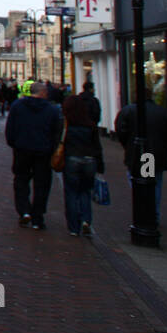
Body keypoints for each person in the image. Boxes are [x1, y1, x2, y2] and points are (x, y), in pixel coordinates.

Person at [5, 80, 62, 229]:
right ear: (42, 93)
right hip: (43, 151)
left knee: (21, 180)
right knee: (42, 183)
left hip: (22, 149)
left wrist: (14, 143)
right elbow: (56, 132)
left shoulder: (18, 106)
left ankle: (24, 211)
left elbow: (10, 128)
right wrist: (52, 148)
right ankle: (38, 216)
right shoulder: (52, 110)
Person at [114, 97, 167, 223]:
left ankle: (144, 212)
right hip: (156, 154)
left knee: (138, 182)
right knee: (155, 183)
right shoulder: (162, 112)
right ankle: (152, 214)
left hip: (138, 154)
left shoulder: (128, 111)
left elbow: (120, 130)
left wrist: (129, 145)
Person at [61, 95, 104, 237]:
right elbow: (97, 147)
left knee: (71, 193)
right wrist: (100, 166)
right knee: (85, 192)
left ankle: (74, 227)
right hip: (89, 161)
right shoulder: (90, 125)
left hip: (72, 159)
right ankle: (86, 221)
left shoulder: (66, 125)